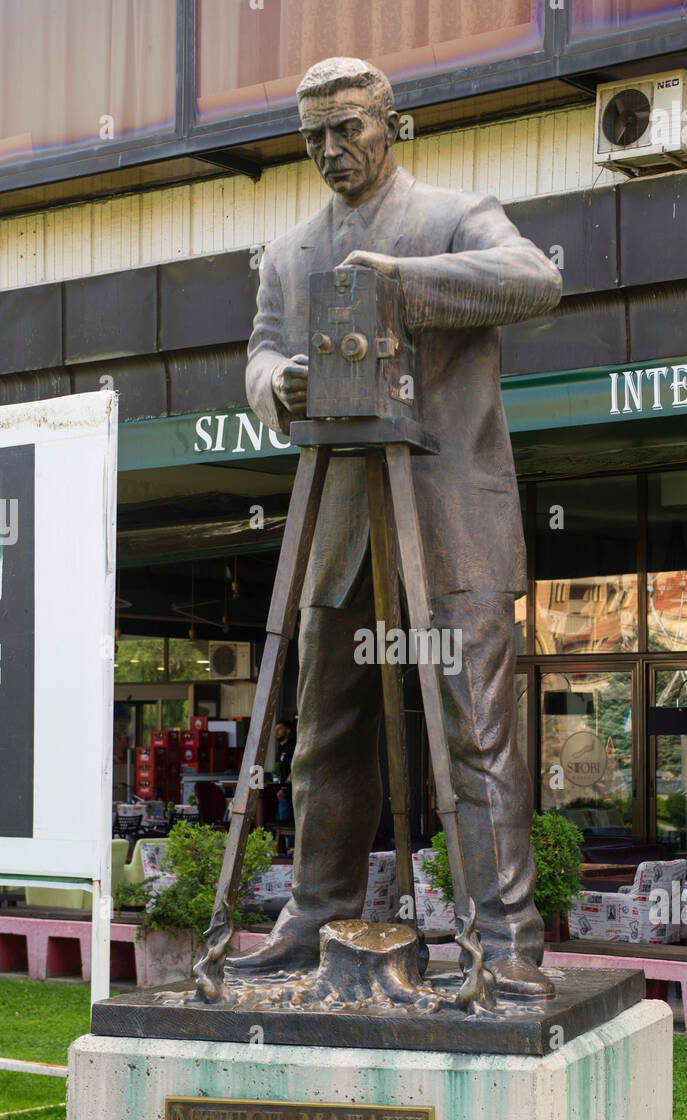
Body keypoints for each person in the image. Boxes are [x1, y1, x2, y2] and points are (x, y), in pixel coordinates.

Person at [232, 56, 562, 997]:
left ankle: (504, 942)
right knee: (324, 736)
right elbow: (258, 351)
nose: (332, 150)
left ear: (391, 123)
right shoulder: (290, 250)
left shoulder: (454, 216)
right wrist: (275, 387)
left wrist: (400, 285)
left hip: (450, 517)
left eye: (348, 129)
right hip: (339, 522)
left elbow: (534, 281)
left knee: (477, 731)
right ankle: (316, 915)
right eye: (313, 138)